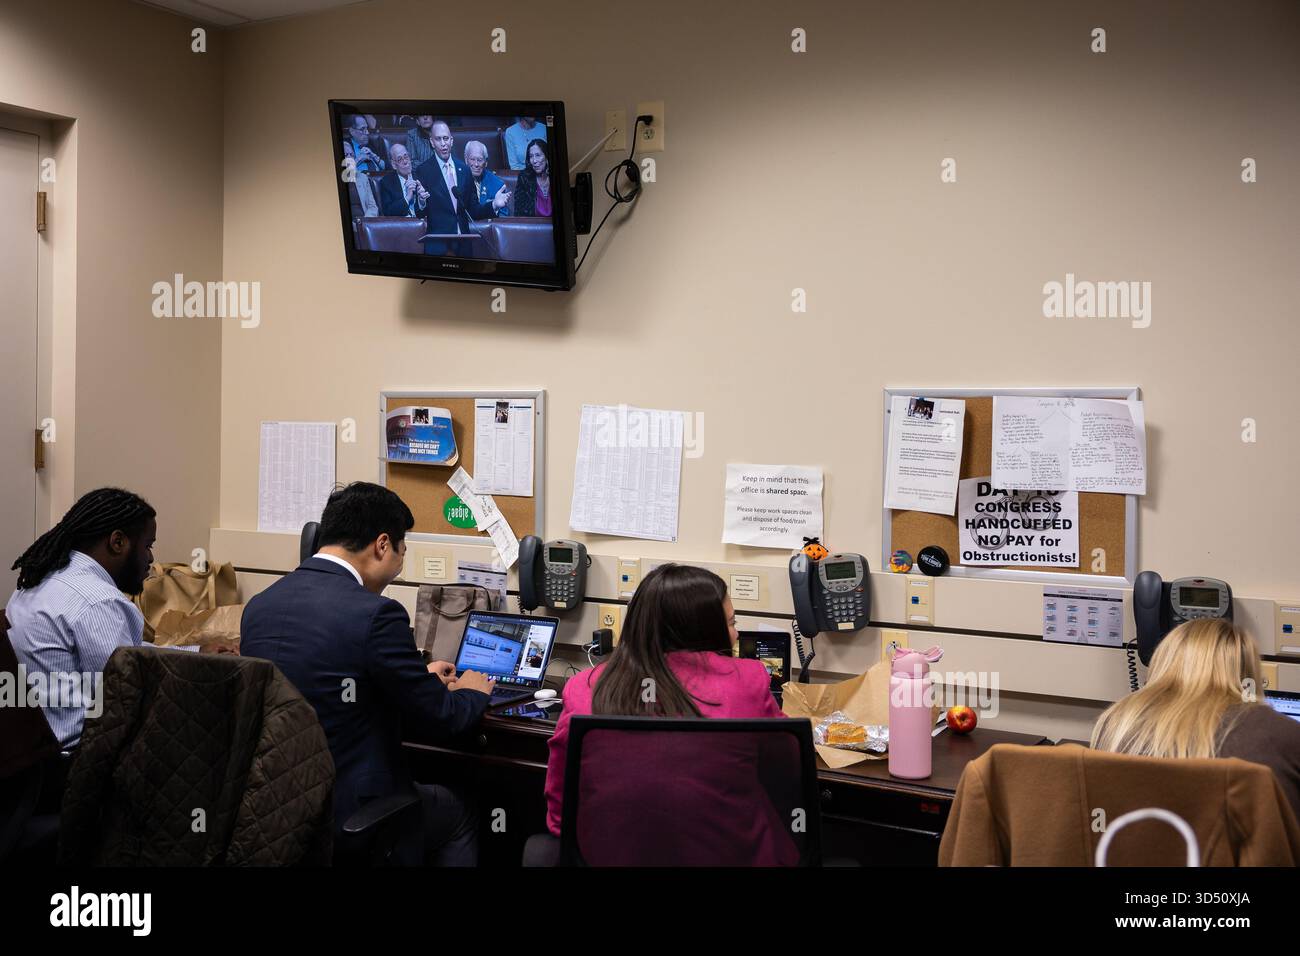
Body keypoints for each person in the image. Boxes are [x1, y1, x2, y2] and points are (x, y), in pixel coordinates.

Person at [240, 482, 495, 865]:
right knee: (461, 812)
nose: (399, 566)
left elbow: (323, 680)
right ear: (382, 545)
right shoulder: (377, 614)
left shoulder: (260, 605)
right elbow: (443, 717)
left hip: (276, 811)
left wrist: (414, 674)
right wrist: (473, 692)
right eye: (402, 552)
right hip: (352, 813)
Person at [544, 564, 784, 841]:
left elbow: (560, 798)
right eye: (731, 623)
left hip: (608, 854)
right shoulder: (747, 681)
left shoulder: (583, 686)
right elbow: (787, 766)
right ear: (705, 630)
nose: (736, 634)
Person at [1091, 618, 1300, 822]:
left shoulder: (1115, 722)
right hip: (1241, 856)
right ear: (1247, 674)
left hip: (1128, 854)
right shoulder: (1282, 734)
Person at [6, 488, 156, 750]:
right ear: (117, 542)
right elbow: (125, 697)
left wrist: (196, 652)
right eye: (148, 546)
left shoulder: (35, 583)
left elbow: (134, 656)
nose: (151, 559)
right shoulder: (98, 601)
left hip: (27, 752)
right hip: (77, 763)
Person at [412, 120, 509, 255]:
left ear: (451, 140)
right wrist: (421, 202)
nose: (443, 143)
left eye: (446, 138)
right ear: (432, 142)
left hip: (463, 246)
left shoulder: (464, 169)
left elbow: (473, 210)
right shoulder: (423, 170)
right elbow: (420, 213)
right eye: (438, 139)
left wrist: (494, 205)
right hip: (438, 246)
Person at [378, 143, 430, 218]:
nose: (405, 162)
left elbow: (432, 210)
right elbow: (388, 212)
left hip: (420, 224)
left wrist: (422, 202)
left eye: (406, 157)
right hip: (400, 226)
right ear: (394, 164)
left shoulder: (421, 177)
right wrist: (408, 197)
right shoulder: (386, 182)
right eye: (400, 159)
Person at [464, 140, 510, 218]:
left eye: (480, 160)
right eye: (472, 159)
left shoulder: (497, 184)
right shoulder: (457, 179)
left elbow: (503, 217)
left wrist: (495, 206)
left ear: (486, 162)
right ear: (466, 159)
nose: (476, 164)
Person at [512, 139, 553, 217]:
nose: (534, 160)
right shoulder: (524, 177)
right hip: (532, 226)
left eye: (538, 155)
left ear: (547, 156)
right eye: (531, 156)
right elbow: (518, 212)